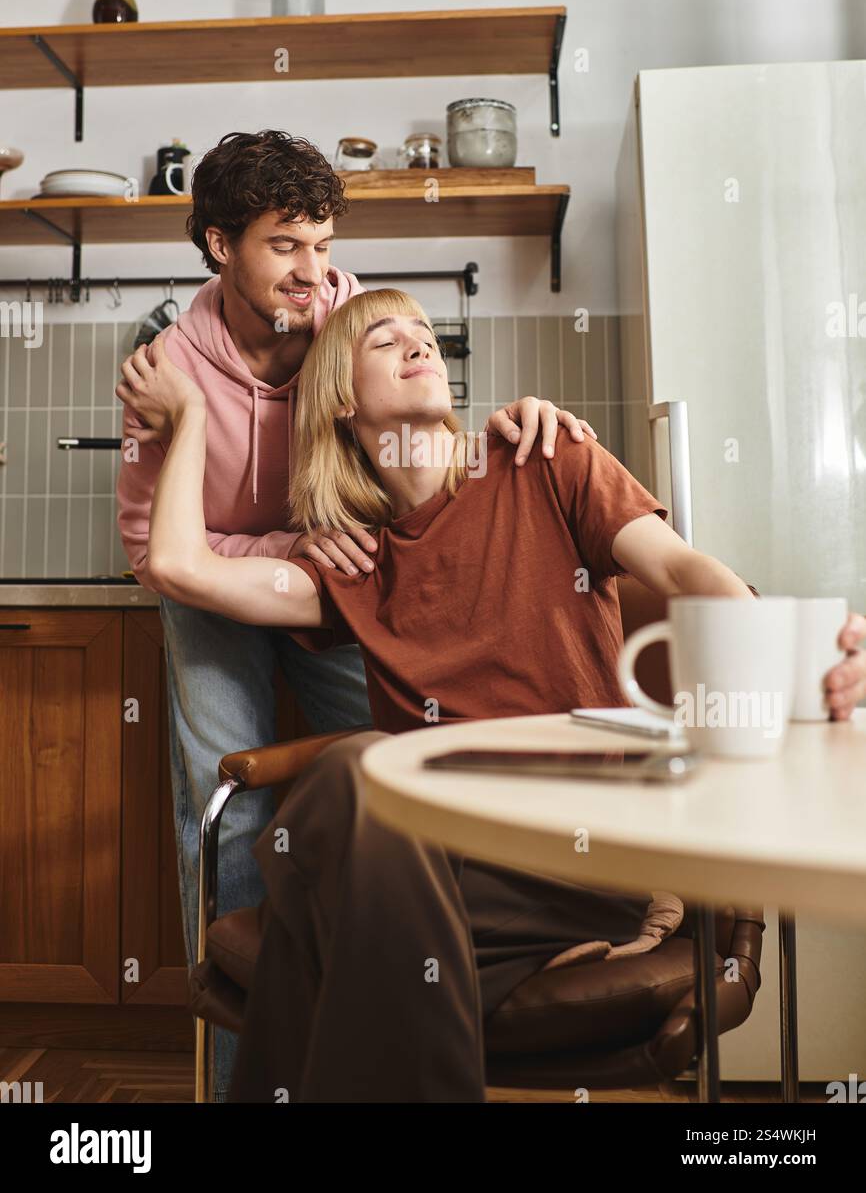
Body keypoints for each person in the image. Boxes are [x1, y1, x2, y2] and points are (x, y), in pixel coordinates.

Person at [118, 288, 866, 1103]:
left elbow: (690, 574)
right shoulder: (356, 568)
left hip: (578, 852)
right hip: (437, 872)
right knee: (358, 787)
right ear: (339, 401)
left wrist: (805, 662)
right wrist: (188, 414)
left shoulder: (547, 461)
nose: (421, 344)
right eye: (384, 339)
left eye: (427, 334)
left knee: (336, 835)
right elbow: (180, 568)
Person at [115, 131, 597, 1101]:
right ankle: (244, 1075)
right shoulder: (164, 371)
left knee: (401, 756)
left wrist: (512, 428)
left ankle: (421, 980)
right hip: (238, 587)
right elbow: (155, 555)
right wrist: (286, 550)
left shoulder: (347, 319)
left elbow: (417, 428)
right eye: (286, 245)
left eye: (323, 243)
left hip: (341, 577)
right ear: (218, 244)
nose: (314, 270)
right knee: (225, 802)